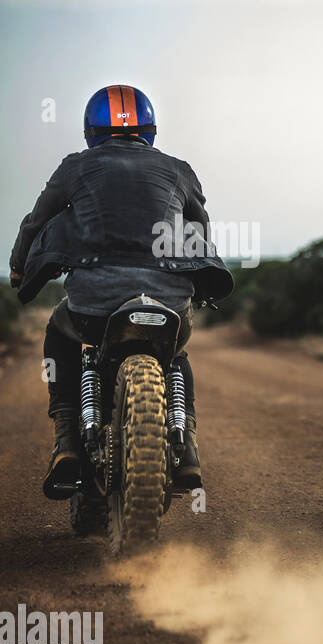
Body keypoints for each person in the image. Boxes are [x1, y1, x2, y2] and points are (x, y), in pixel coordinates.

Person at [9, 84, 233, 497]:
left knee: (58, 330)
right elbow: (199, 229)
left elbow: (34, 221)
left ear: (91, 130)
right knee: (177, 354)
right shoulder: (179, 169)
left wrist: (20, 271)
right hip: (168, 298)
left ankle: (67, 443)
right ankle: (186, 453)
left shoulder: (75, 167)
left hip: (94, 302)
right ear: (150, 129)